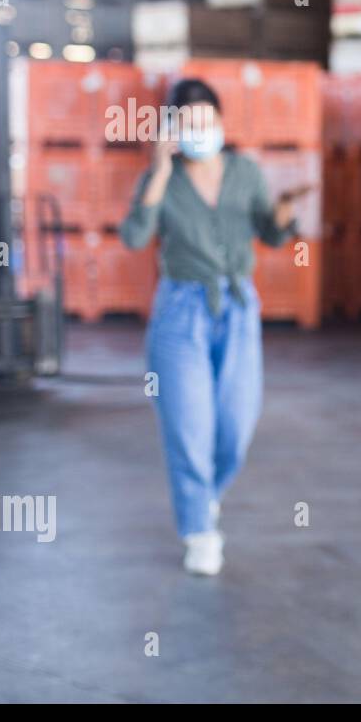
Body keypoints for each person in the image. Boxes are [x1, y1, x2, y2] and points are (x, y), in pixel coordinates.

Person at [119, 78, 312, 576]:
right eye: (188, 121)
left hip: (239, 307)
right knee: (188, 427)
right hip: (180, 312)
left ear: (221, 123)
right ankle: (199, 530)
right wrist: (160, 168)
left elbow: (270, 232)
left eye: (207, 119)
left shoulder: (245, 171)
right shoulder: (164, 177)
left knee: (235, 428)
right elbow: (135, 236)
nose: (199, 129)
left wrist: (286, 210)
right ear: (171, 127)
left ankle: (207, 496)